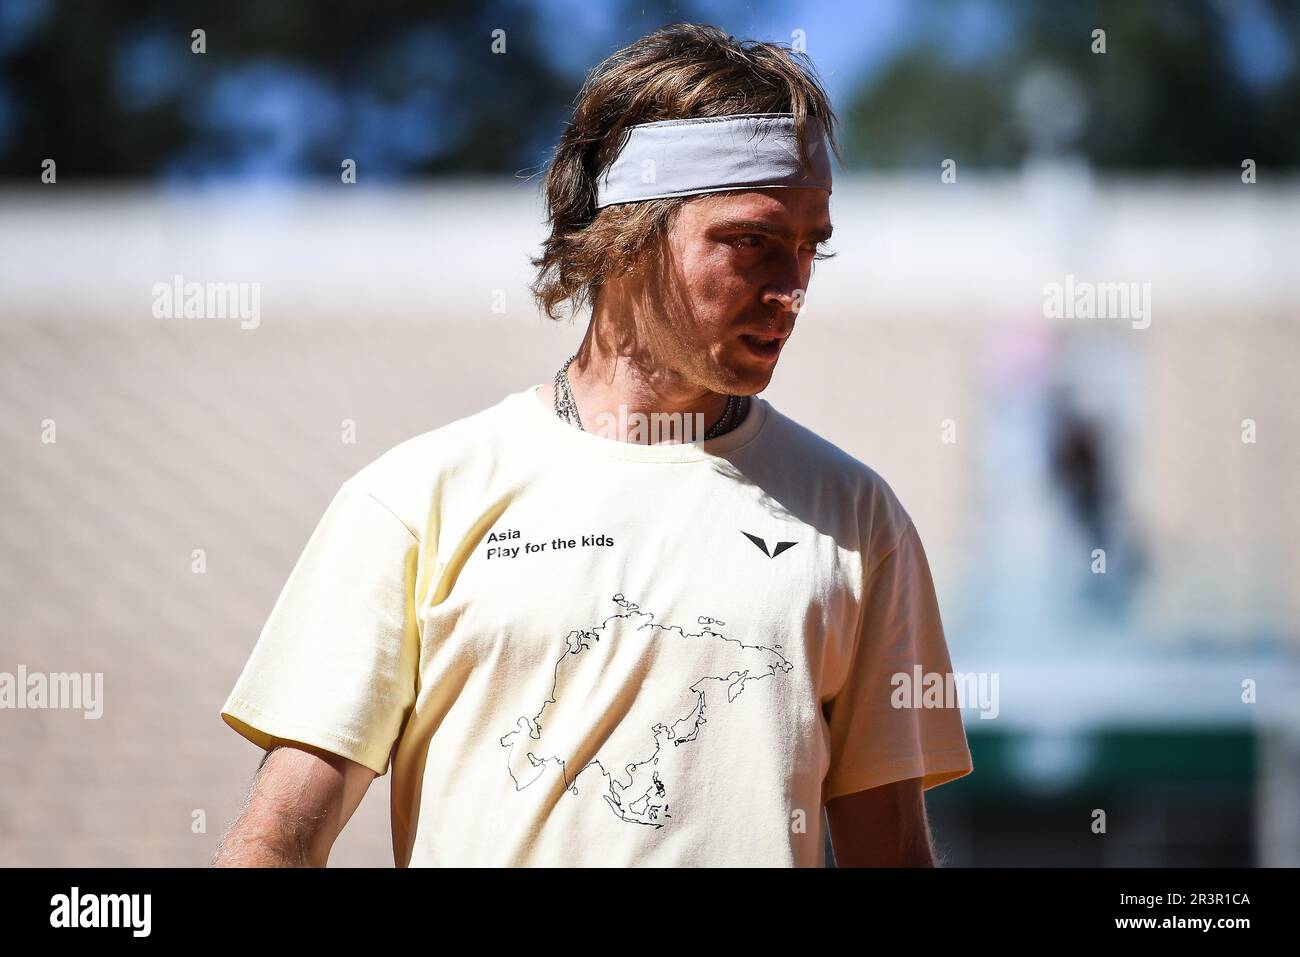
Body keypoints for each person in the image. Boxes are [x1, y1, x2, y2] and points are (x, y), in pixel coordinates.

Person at [213, 22, 973, 868]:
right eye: (752, 241)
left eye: (809, 247)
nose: (791, 288)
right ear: (628, 233)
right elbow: (280, 840)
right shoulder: (415, 498)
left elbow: (892, 855)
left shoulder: (859, 521)